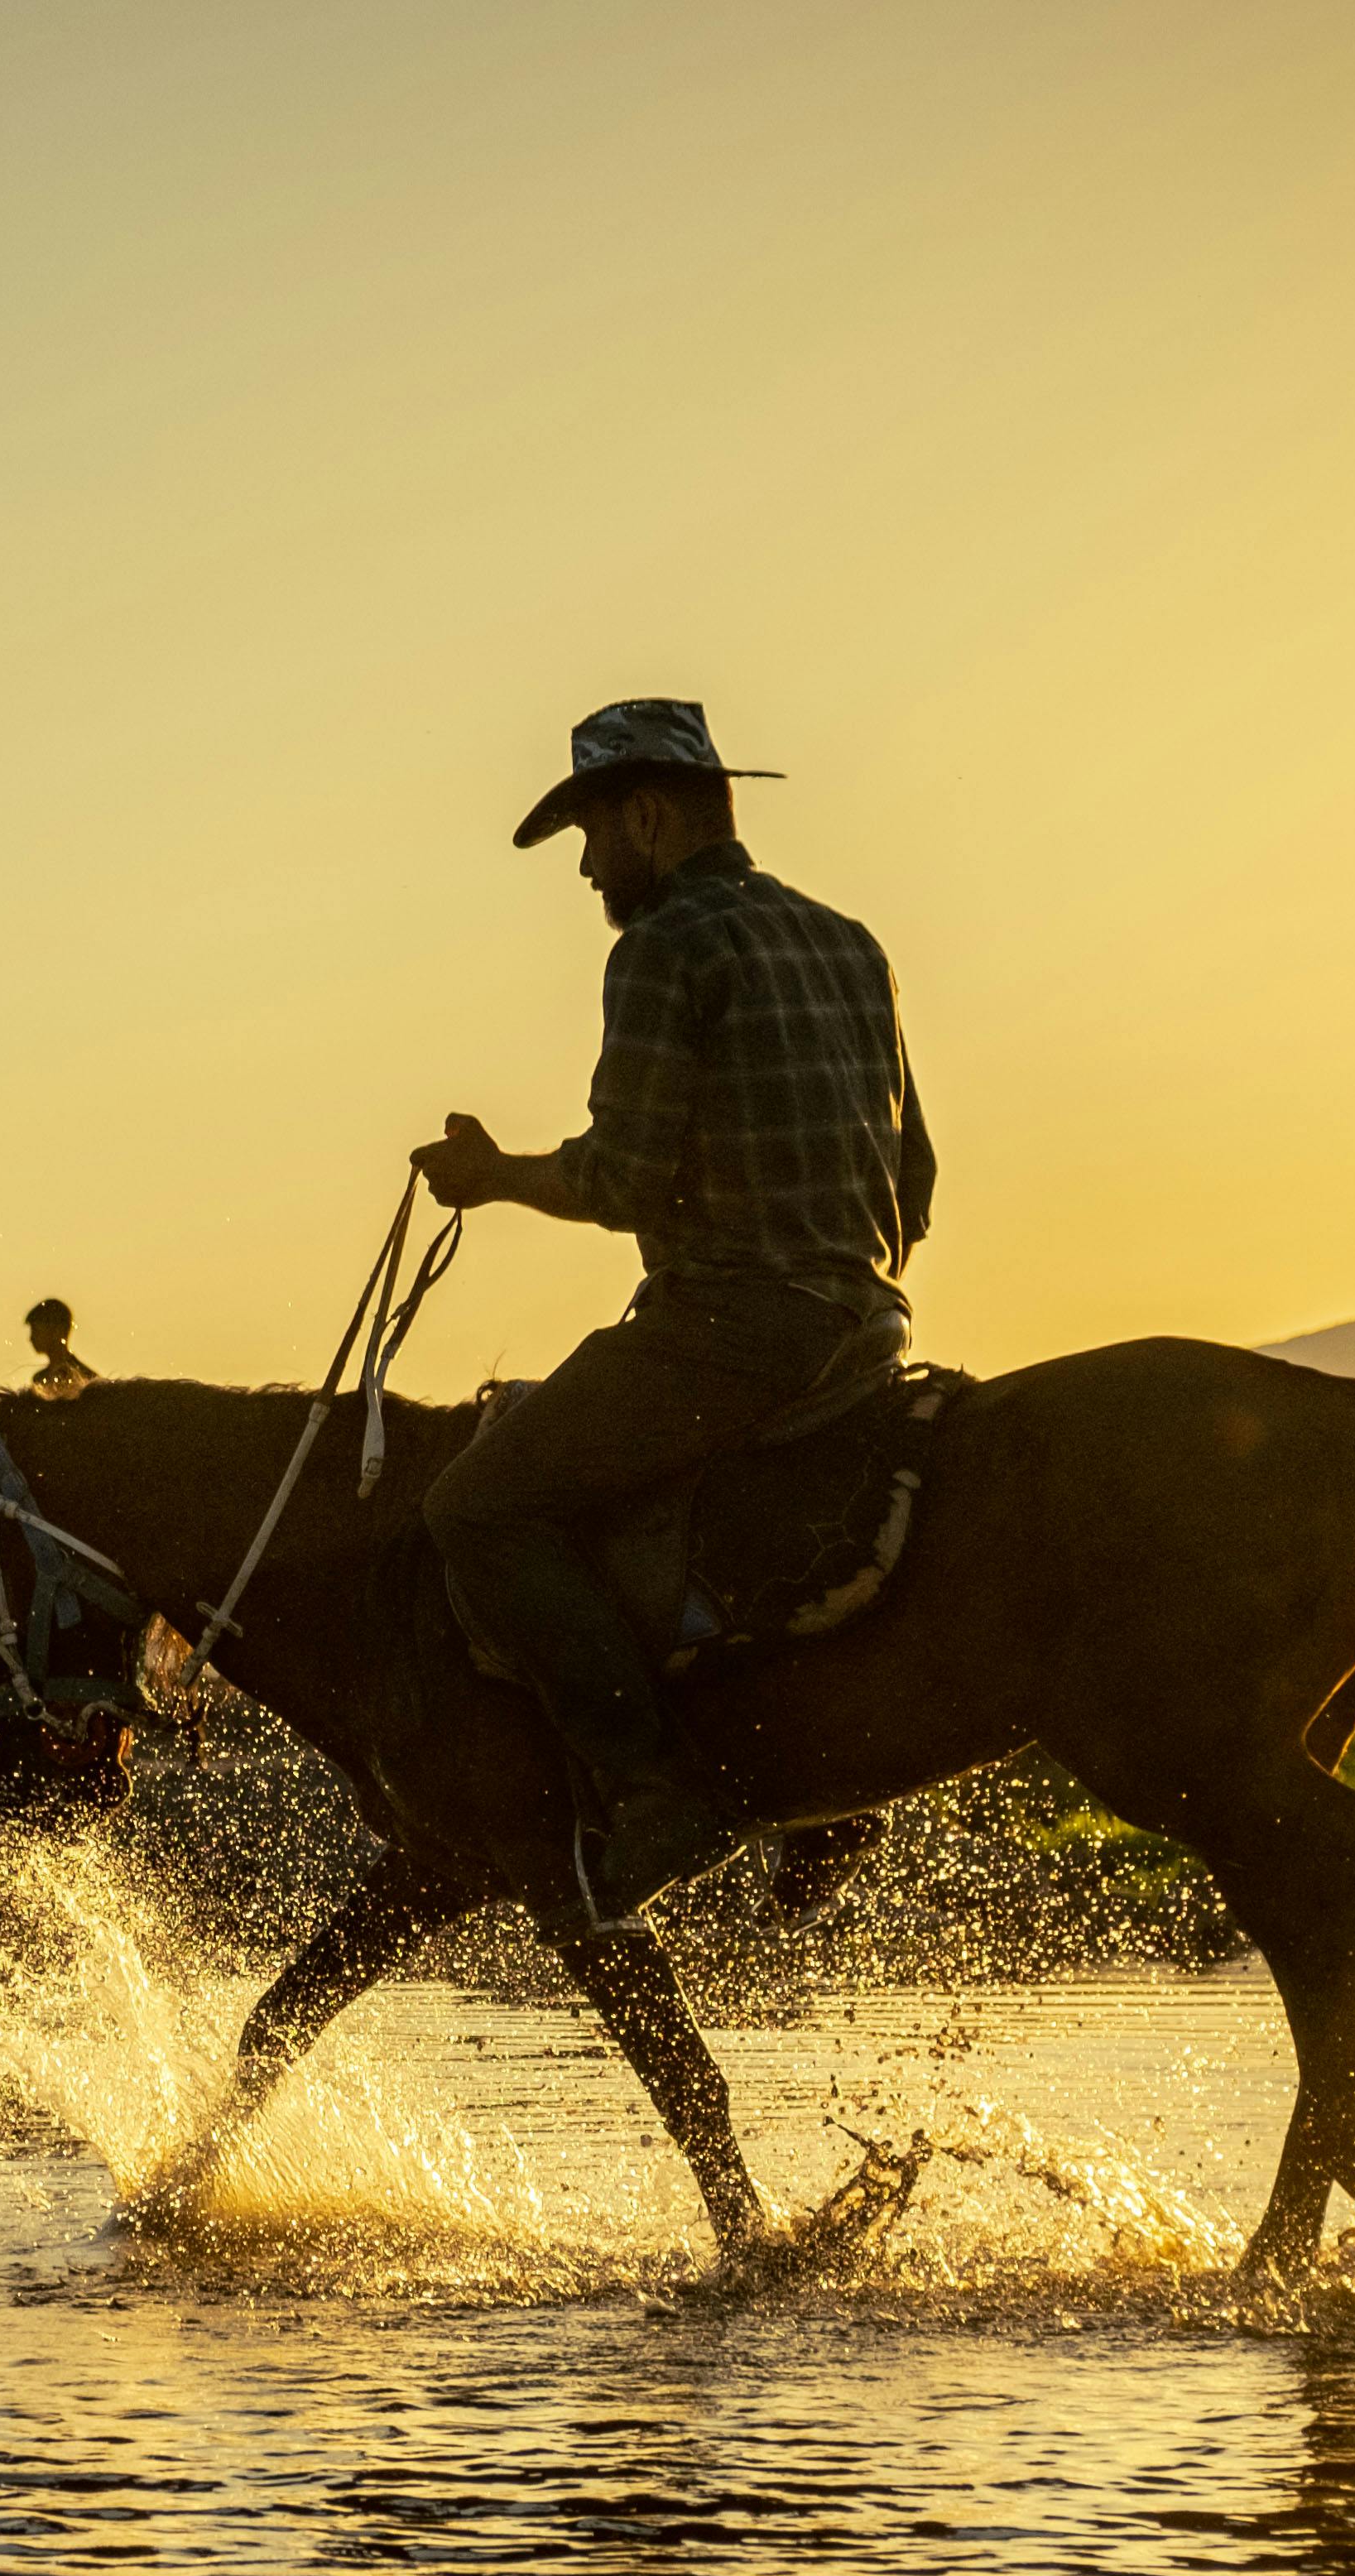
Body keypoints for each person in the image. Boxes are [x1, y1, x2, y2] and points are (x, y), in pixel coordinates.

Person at [410, 699, 935, 1924]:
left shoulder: (658, 949)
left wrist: (490, 1181)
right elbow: (913, 1183)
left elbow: (619, 1179)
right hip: (869, 1325)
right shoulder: (850, 942)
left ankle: (656, 1787)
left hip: (734, 1329)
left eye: (593, 835)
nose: (588, 867)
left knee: (476, 1505)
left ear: (648, 815)